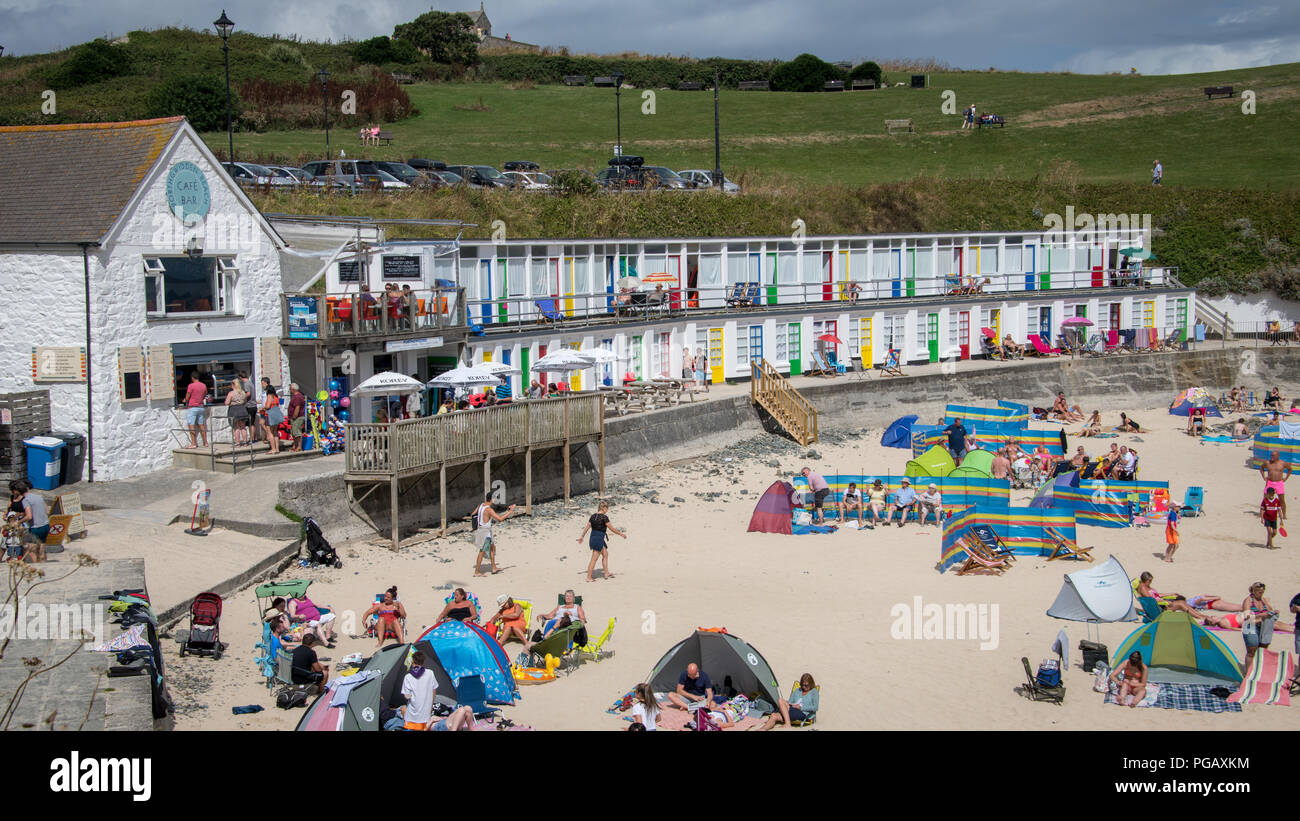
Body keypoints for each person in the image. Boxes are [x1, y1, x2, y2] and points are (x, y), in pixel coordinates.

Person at [578, 500, 626, 582]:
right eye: (607, 508)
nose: (607, 510)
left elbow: (587, 527)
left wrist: (582, 536)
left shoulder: (593, 516)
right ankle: (588, 577)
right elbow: (612, 529)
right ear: (604, 508)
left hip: (594, 537)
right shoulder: (604, 517)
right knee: (594, 558)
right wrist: (620, 534)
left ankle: (606, 573)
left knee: (605, 554)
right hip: (598, 538)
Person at [473, 494, 516, 576]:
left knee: (492, 547)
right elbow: (500, 519)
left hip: (483, 530)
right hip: (485, 532)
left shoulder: (481, 505)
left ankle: (493, 567)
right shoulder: (489, 509)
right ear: (492, 499)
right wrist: (510, 511)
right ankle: (476, 572)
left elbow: (473, 514)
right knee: (482, 551)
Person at [1241, 582, 1278, 675]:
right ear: (1253, 591)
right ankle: (1248, 673)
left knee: (1262, 650)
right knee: (1251, 651)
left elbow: (1270, 610)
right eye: (1258, 592)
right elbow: (1247, 616)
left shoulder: (1263, 600)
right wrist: (1261, 615)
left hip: (1263, 626)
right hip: (1250, 626)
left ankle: (1259, 671)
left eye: (1262, 592)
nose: (1260, 594)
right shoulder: (1248, 600)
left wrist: (1273, 612)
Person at [183, 372, 210, 449]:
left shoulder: (191, 386)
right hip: (201, 407)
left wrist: (185, 400)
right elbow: (205, 394)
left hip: (192, 407)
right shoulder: (203, 385)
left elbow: (187, 397)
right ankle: (205, 442)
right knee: (201, 424)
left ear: (192, 378)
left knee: (191, 425)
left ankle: (194, 443)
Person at [225, 378, 250, 447]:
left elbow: (227, 403)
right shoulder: (242, 392)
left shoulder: (231, 393)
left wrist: (231, 402)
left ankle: (238, 443)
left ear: (233, 385)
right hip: (242, 409)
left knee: (236, 428)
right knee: (243, 427)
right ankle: (245, 442)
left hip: (234, 410)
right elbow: (245, 401)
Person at [261, 385, 283, 454]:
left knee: (270, 432)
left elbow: (268, 406)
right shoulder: (275, 396)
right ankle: (277, 449)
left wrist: (262, 408)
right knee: (275, 432)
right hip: (275, 416)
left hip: (269, 415)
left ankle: (273, 449)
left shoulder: (269, 396)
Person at [286, 383, 306, 451]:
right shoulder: (296, 396)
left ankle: (299, 446)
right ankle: (295, 445)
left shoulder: (297, 396)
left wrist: (294, 416)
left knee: (297, 432)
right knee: (293, 432)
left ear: (293, 389)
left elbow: (297, 407)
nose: (289, 390)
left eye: (290, 389)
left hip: (298, 417)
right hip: (295, 417)